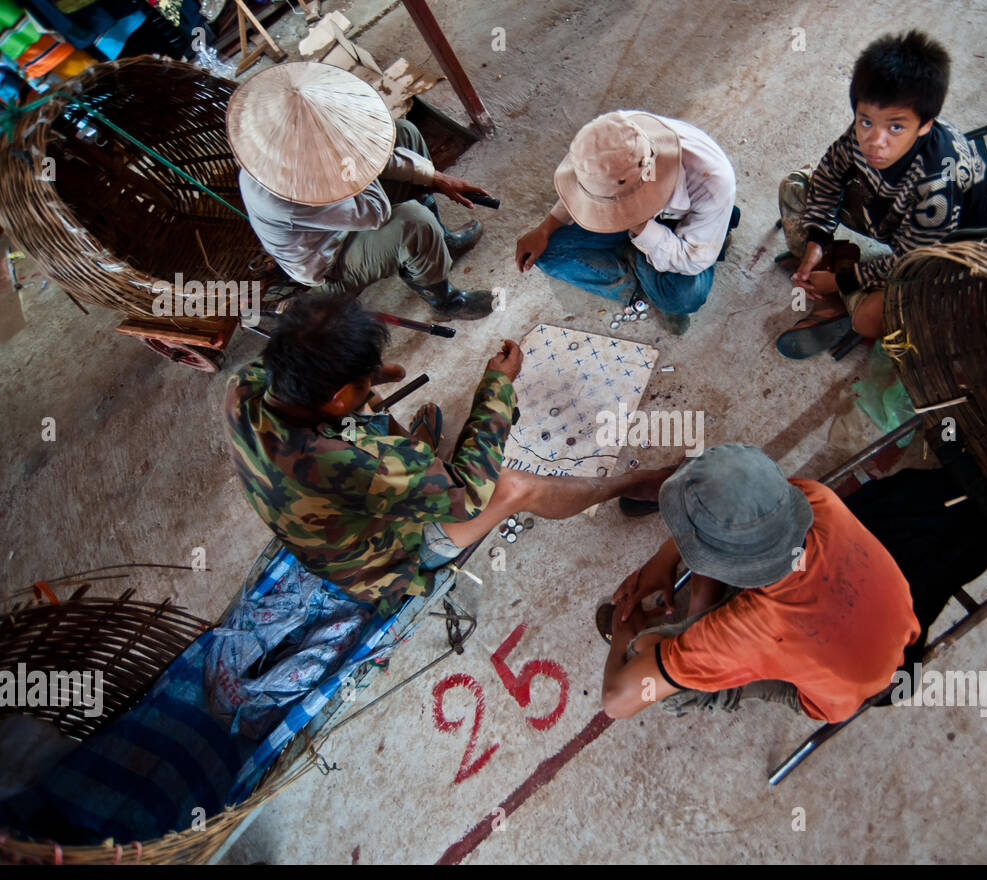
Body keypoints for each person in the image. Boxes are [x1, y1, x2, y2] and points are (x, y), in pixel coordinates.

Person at [223, 295, 674, 616]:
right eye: (356, 385)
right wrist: (496, 385)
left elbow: (325, 385)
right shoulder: (354, 465)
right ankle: (633, 483)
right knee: (512, 486)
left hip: (331, 503)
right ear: (337, 395)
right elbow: (469, 493)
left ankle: (414, 454)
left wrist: (365, 377)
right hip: (391, 563)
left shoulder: (247, 385)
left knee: (375, 415)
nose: (368, 385)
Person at [598, 444, 921, 721]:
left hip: (837, 690)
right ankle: (701, 614)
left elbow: (617, 701)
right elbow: (740, 521)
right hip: (894, 627)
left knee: (649, 662)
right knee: (730, 520)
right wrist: (662, 560)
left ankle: (694, 629)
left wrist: (624, 631)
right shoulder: (813, 498)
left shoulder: (753, 630)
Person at [776, 30, 987, 358]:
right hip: (885, 213)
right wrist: (817, 241)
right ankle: (829, 262)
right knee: (796, 187)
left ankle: (837, 288)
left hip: (936, 257)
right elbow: (830, 173)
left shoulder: (936, 185)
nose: (875, 141)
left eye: (895, 127)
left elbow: (910, 262)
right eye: (865, 122)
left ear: (924, 125)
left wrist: (841, 282)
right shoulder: (866, 131)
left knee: (868, 320)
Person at [227, 61, 495, 321]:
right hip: (331, 260)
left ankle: (441, 243)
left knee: (405, 134)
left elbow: (370, 158)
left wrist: (434, 176)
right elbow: (374, 212)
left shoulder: (287, 152)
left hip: (341, 221)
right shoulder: (283, 193)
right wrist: (362, 156)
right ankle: (444, 301)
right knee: (413, 222)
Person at [514, 110, 739, 335]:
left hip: (682, 226)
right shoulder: (600, 142)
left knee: (683, 298)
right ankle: (644, 279)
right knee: (546, 252)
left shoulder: (713, 182)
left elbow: (693, 258)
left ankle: (663, 256)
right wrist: (546, 228)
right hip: (627, 214)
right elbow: (582, 191)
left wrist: (640, 226)